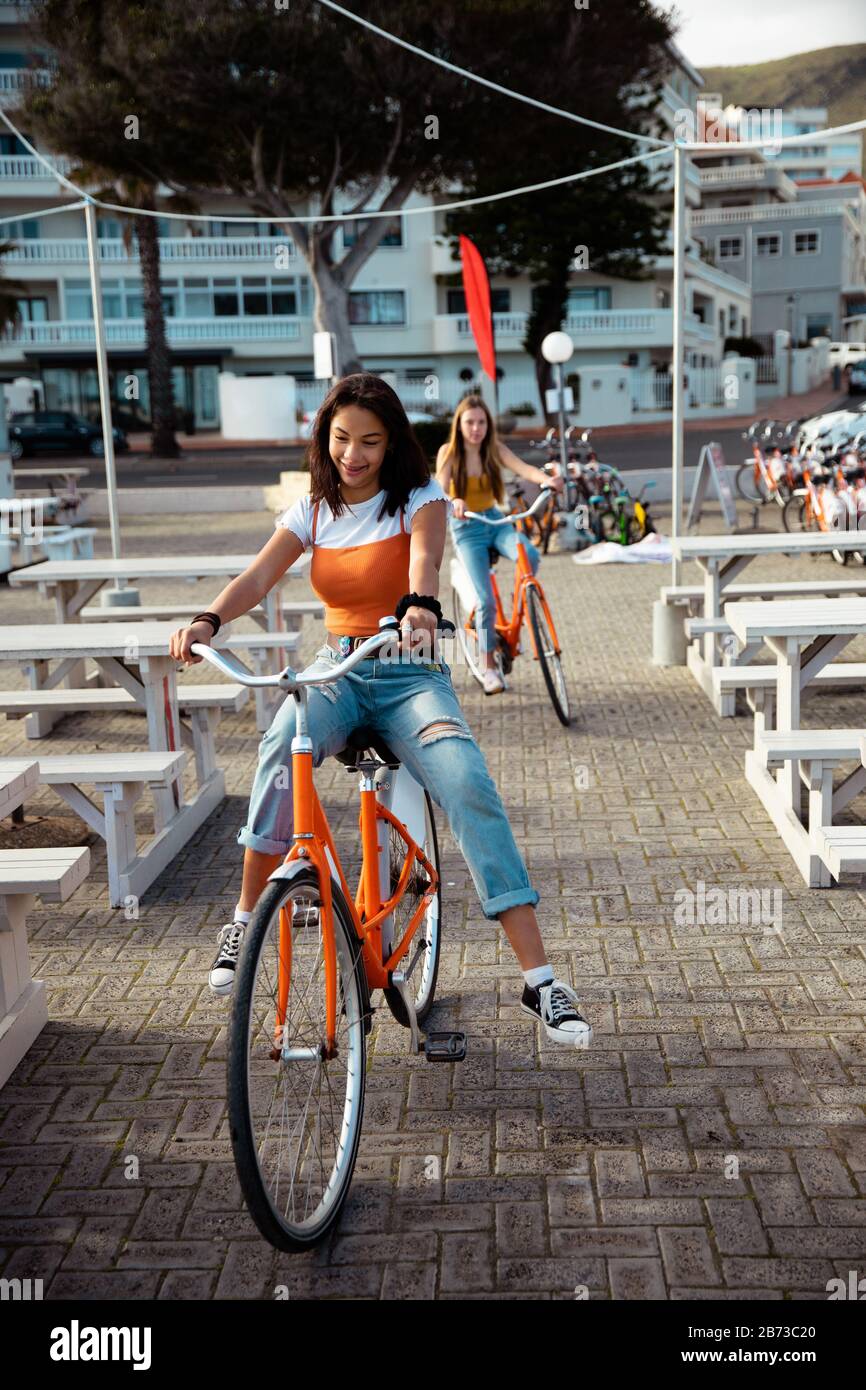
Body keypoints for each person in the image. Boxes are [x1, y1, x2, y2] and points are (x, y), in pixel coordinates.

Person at [170, 373, 590, 1046]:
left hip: (406, 667)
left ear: (391, 441)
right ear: (325, 438)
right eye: (341, 439)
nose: (353, 454)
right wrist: (208, 619)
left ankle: (540, 981)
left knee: (465, 780)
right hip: (337, 666)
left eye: (369, 441)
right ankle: (245, 917)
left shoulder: (419, 498)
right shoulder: (312, 509)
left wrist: (420, 605)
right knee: (283, 743)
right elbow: (255, 576)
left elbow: (425, 560)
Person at [435, 395, 562, 695]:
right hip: (467, 528)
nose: (476, 428)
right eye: (470, 422)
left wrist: (547, 480)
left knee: (529, 555)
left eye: (481, 422)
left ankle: (520, 606)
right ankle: (489, 665)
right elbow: (439, 486)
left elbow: (523, 469)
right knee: (485, 603)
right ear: (459, 424)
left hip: (494, 520)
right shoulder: (449, 452)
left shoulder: (493, 449)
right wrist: (453, 500)